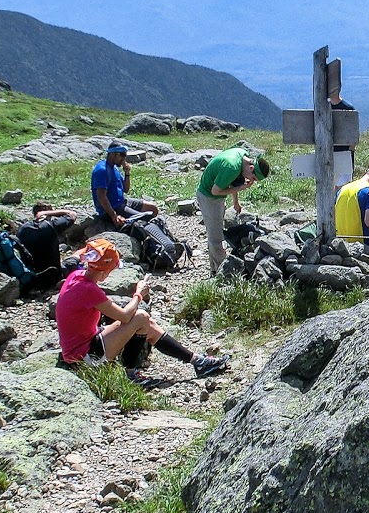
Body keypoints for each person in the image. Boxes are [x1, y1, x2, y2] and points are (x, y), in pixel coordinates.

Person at [55, 238, 228, 383]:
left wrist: (92, 250)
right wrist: (138, 294)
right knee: (139, 317)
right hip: (84, 357)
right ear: (105, 271)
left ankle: (197, 361)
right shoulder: (89, 290)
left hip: (80, 346)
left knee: (147, 322)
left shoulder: (75, 276)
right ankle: (131, 374)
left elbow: (77, 255)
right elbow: (124, 316)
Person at [195, 149, 271, 272]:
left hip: (217, 197)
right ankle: (223, 271)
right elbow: (215, 191)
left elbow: (232, 181)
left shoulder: (242, 154)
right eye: (253, 178)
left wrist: (235, 201)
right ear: (251, 168)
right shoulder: (231, 167)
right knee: (216, 236)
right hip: (209, 197)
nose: (251, 181)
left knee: (216, 230)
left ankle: (214, 268)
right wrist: (241, 188)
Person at [91, 144, 160, 230]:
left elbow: (126, 189)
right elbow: (101, 196)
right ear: (113, 154)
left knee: (153, 209)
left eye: (125, 155)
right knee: (144, 219)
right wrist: (113, 215)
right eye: (122, 155)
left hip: (122, 202)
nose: (124, 159)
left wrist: (127, 173)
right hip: (113, 208)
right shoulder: (102, 170)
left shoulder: (114, 168)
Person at [14, 203, 79, 289]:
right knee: (77, 256)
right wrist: (47, 213)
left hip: (31, 277)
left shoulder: (23, 229)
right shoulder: (51, 226)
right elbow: (72, 214)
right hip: (53, 277)